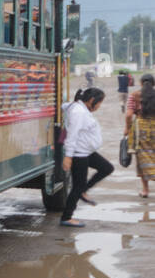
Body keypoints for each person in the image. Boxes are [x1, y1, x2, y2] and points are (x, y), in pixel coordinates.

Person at [61, 87, 113, 226]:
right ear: (91, 100)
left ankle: (84, 190)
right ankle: (66, 217)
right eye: (99, 102)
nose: (99, 106)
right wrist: (68, 156)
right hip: (79, 154)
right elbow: (72, 135)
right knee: (77, 186)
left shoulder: (79, 108)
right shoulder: (78, 111)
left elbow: (65, 106)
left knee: (107, 168)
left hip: (86, 151)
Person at [125, 73, 155, 198]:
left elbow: (128, 115)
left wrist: (127, 127)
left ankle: (145, 190)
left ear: (141, 83)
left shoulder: (134, 95)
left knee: (142, 159)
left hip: (140, 130)